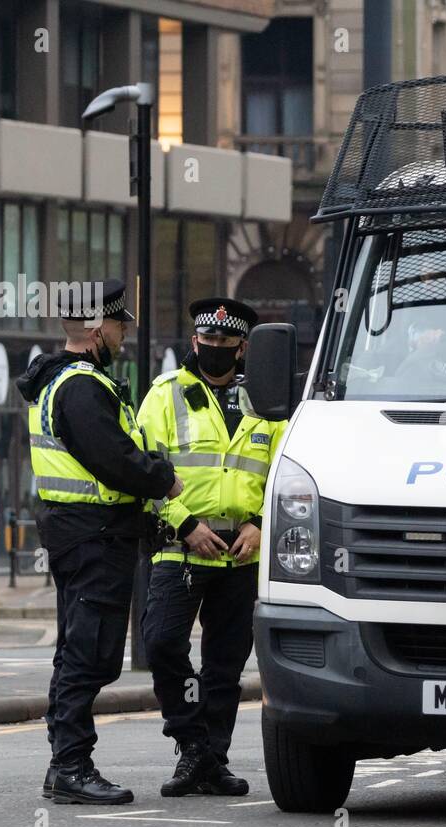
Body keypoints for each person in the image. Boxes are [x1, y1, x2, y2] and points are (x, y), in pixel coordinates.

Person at [16, 279, 183, 805]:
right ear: (95, 328)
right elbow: (112, 458)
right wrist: (161, 478)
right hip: (93, 537)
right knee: (88, 652)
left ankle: (64, 764)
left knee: (80, 649)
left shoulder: (61, 382)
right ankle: (70, 765)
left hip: (85, 536)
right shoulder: (82, 387)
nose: (124, 335)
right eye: (118, 325)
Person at [137, 298, 284, 797]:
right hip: (181, 546)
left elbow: (287, 475)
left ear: (242, 348)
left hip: (243, 551)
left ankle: (212, 758)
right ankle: (191, 741)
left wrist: (262, 525)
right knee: (160, 643)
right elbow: (143, 474)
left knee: (226, 662)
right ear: (195, 341)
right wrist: (185, 525)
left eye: (225, 342)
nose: (214, 348)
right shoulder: (164, 394)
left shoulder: (269, 402)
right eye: (207, 340)